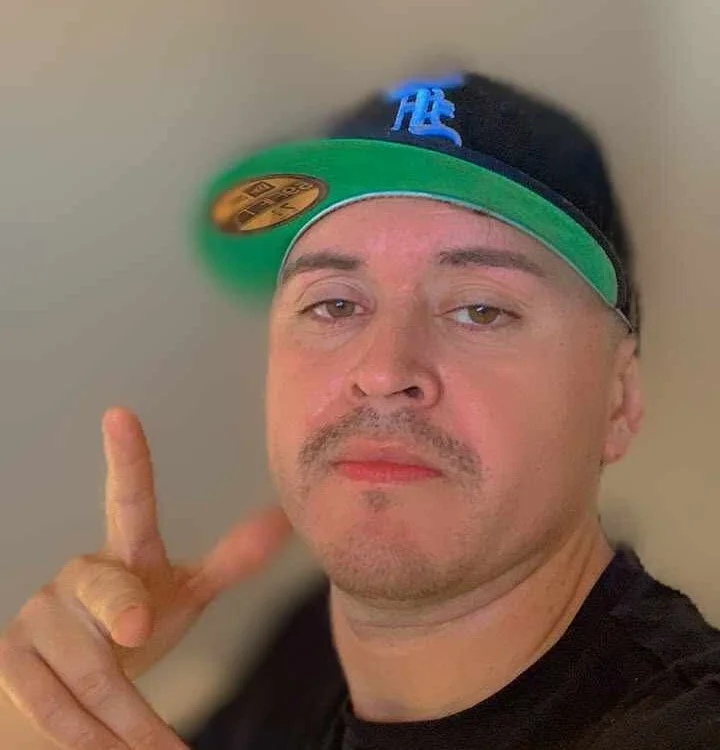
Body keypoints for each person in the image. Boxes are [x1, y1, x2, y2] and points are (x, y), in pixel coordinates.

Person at [1, 71, 718, 750]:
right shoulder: (309, 653)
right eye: (335, 305)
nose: (382, 371)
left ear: (619, 401)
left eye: (480, 309)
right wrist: (51, 704)